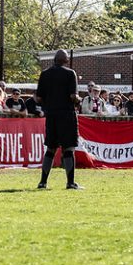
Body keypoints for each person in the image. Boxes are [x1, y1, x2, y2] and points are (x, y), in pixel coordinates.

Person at [35, 49, 82, 190]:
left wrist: (47, 106)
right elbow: (73, 96)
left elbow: (38, 97)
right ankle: (70, 182)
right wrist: (79, 100)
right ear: (65, 60)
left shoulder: (44, 74)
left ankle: (43, 182)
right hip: (66, 115)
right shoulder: (70, 73)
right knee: (68, 148)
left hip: (51, 116)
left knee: (50, 148)